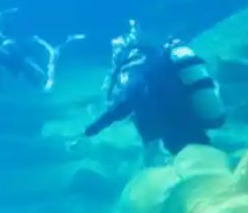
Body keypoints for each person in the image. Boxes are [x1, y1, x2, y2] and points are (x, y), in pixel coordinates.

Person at [78, 20, 225, 166]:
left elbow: (123, 105)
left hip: (168, 137)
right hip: (192, 127)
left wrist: (93, 129)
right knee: (207, 165)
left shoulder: (135, 67)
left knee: (187, 173)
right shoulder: (164, 54)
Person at [0, 8, 83, 93]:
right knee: (16, 58)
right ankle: (41, 83)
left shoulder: (5, 37)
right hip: (9, 67)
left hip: (16, 65)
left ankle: (41, 83)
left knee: (20, 60)